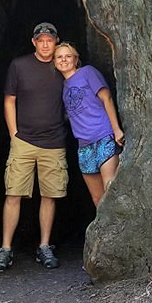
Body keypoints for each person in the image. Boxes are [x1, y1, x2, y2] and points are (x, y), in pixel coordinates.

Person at [0, 22, 68, 273]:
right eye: (41, 40)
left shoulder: (63, 66)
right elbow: (9, 100)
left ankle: (44, 246)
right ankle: (5, 248)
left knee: (50, 195)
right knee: (13, 193)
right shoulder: (19, 66)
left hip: (53, 142)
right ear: (34, 42)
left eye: (50, 40)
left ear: (56, 42)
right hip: (23, 141)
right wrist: (14, 133)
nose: (46, 44)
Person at [53, 42, 124, 207]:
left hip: (102, 136)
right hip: (84, 146)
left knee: (110, 188)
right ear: (55, 63)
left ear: (76, 59)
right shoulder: (63, 87)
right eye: (59, 57)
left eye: (68, 56)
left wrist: (116, 130)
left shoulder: (87, 72)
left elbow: (106, 98)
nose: (64, 60)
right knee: (97, 198)